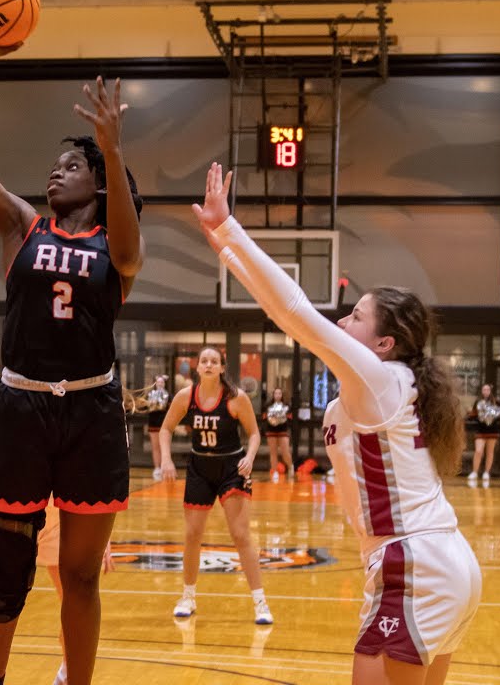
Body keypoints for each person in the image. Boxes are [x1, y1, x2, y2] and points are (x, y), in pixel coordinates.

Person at [193, 163, 480, 685]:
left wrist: (229, 231)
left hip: (413, 561)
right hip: (438, 561)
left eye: (355, 317)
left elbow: (296, 311)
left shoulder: (381, 380)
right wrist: (227, 252)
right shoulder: (383, 388)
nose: (343, 322)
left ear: (383, 344)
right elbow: (286, 311)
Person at [0, 39, 144, 685]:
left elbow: (131, 247)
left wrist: (109, 148)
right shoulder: (21, 227)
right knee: (7, 571)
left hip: (92, 408)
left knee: (80, 576)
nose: (55, 174)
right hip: (23, 405)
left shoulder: (117, 248)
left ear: (101, 184)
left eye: (71, 167)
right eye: (55, 166)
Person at [157, 346, 272, 625]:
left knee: (240, 534)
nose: (208, 365)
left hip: (231, 468)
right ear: (197, 368)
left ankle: (261, 603)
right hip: (199, 468)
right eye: (204, 361)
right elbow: (165, 429)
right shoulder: (186, 397)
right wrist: (166, 460)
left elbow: (254, 434)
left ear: (222, 368)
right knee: (192, 535)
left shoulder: (235, 398)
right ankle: (188, 596)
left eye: (214, 361)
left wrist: (250, 456)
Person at [0, 507, 116, 685]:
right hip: (20, 507)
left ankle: (64, 677)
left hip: (62, 514)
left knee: (74, 609)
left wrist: (98, 528)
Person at [466, 384, 500, 487]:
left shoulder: (496, 402)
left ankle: (486, 472)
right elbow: (473, 414)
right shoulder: (478, 402)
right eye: (484, 389)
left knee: (490, 452)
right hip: (480, 430)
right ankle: (474, 472)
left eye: (487, 389)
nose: (486, 391)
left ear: (490, 391)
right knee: (478, 451)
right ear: (482, 391)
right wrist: (470, 414)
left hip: (492, 430)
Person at [264, 387, 294, 482]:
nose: (277, 395)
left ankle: (290, 466)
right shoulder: (268, 405)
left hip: (283, 430)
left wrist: (281, 418)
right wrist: (272, 419)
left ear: (282, 395)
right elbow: (265, 417)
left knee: (285, 452)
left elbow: (290, 418)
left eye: (279, 393)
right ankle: (275, 471)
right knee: (273, 452)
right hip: (271, 430)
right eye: (276, 393)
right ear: (273, 395)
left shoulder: (287, 406)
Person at [145, 375, 170, 481]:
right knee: (155, 447)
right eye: (158, 382)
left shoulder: (168, 395)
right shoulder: (150, 394)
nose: (160, 384)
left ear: (164, 384)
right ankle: (157, 468)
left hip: (165, 425)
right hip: (153, 424)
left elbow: (170, 408)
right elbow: (146, 407)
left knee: (164, 447)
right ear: (155, 384)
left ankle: (165, 468)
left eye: (162, 382)